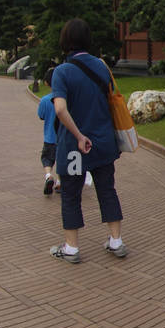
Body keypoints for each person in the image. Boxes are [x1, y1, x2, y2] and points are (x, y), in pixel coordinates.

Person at [47, 19, 126, 262]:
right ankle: (116, 241)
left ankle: (71, 248)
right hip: (103, 143)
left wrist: (79, 136)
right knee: (107, 190)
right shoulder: (102, 66)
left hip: (74, 147)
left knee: (71, 194)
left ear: (65, 41)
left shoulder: (62, 71)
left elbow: (60, 109)